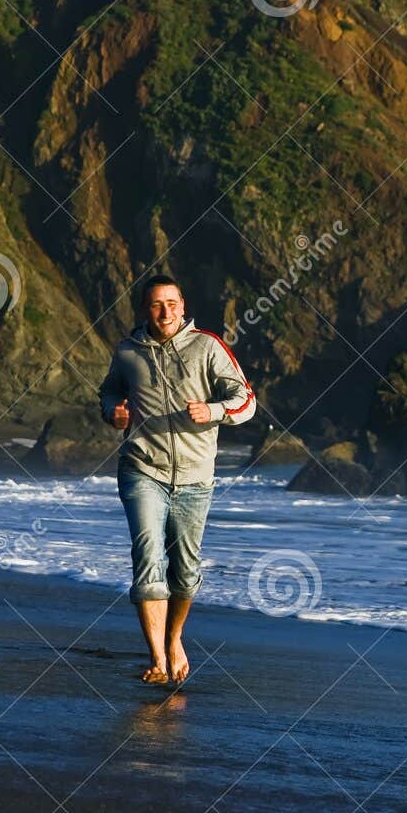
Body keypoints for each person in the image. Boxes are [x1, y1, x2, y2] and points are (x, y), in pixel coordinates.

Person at [98, 276, 256, 685]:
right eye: (155, 305)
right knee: (148, 559)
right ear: (144, 310)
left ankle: (174, 639)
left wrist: (214, 411)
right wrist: (114, 412)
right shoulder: (128, 352)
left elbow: (246, 400)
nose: (165, 312)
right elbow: (109, 392)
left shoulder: (208, 346)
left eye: (171, 303)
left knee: (185, 572)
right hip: (141, 470)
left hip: (194, 478)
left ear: (183, 305)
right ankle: (156, 659)